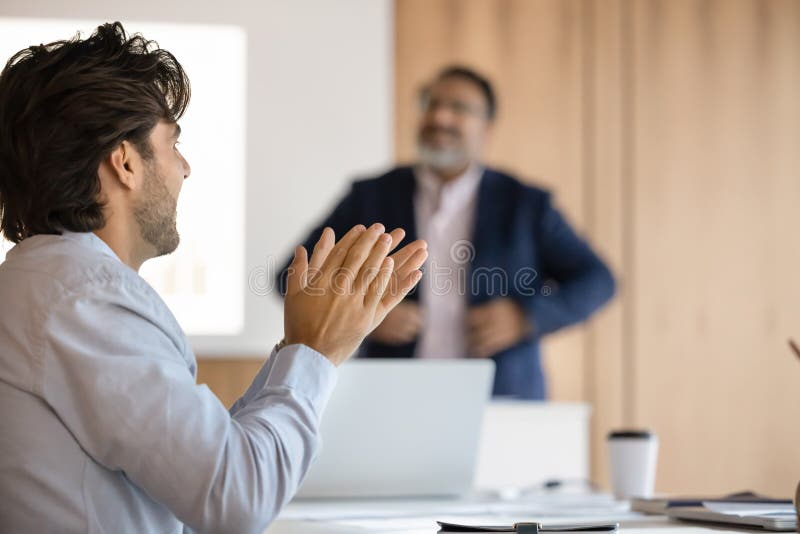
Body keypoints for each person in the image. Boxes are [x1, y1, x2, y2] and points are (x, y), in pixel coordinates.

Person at [0, 22, 427, 533]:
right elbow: (236, 498)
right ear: (125, 163)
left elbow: (212, 459)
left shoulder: (49, 284)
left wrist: (302, 346)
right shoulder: (85, 298)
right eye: (172, 144)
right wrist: (316, 353)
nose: (185, 168)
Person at [279, 66, 615, 400]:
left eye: (459, 108)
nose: (440, 117)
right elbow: (292, 274)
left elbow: (598, 280)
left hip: (502, 399)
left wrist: (524, 317)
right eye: (430, 104)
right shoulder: (369, 196)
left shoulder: (526, 205)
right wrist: (364, 313)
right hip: (391, 399)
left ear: (487, 128)